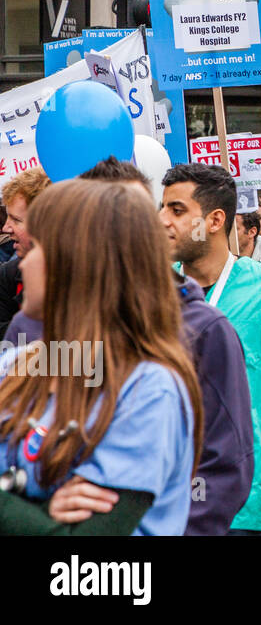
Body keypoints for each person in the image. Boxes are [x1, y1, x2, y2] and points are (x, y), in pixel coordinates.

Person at [0, 178, 202, 535]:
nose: (22, 264)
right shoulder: (16, 364)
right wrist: (45, 509)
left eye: (38, 248)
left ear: (78, 262)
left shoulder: (148, 389)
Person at [161, 163, 261, 535]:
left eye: (177, 210)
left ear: (215, 220)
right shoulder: (151, 293)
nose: (163, 219)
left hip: (249, 504)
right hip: (165, 498)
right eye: (162, 207)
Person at [0, 169, 52, 334]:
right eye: (7, 217)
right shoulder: (8, 276)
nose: (5, 228)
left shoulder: (93, 275)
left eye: (16, 220)